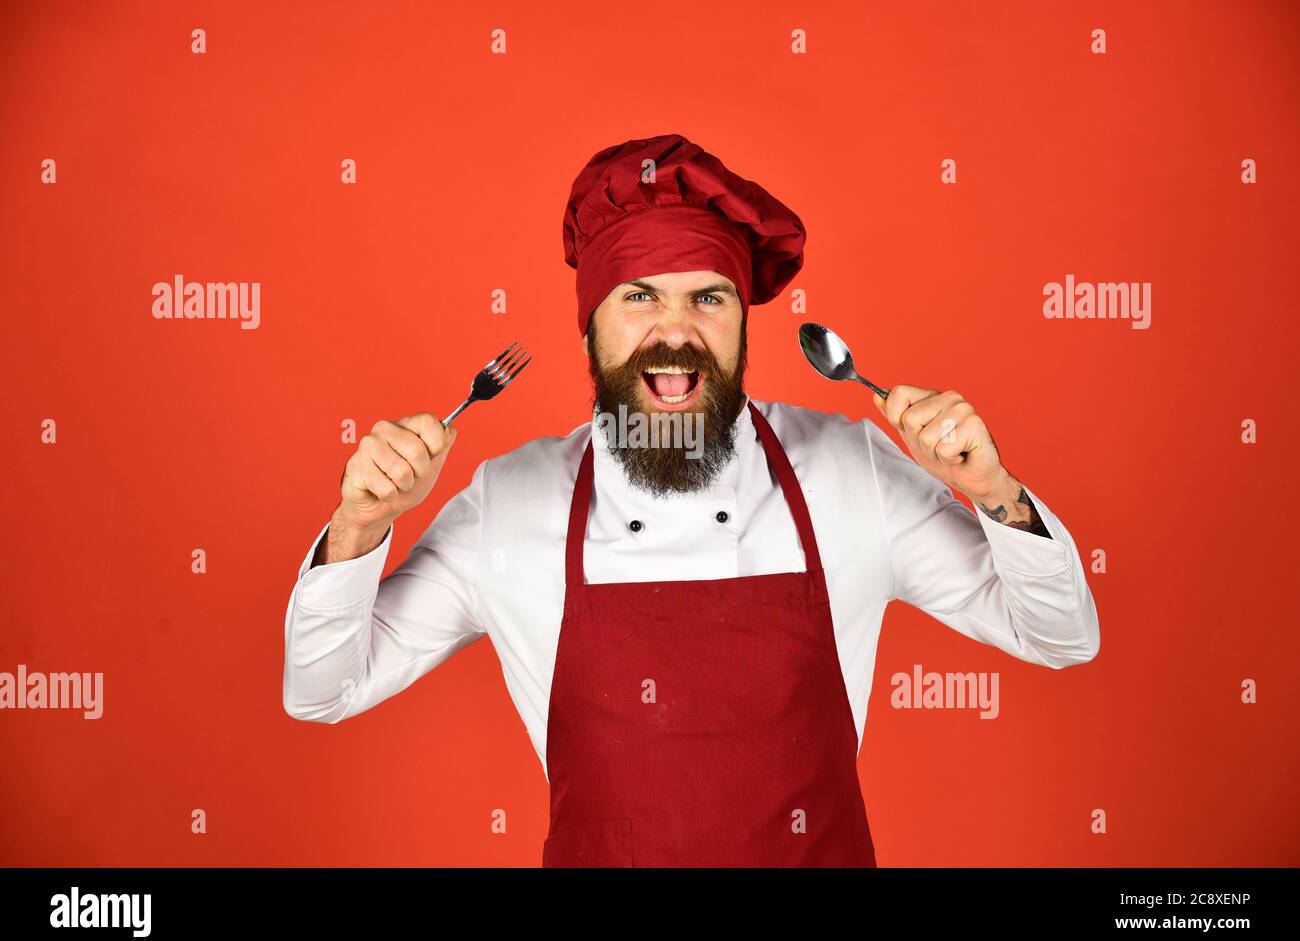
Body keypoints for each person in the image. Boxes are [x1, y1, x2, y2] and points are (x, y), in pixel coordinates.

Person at [282, 132, 1100, 867]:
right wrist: (363, 523)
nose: (674, 330)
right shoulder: (513, 503)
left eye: (707, 298)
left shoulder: (850, 471)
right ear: (589, 328)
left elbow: (1058, 635)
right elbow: (323, 689)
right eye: (639, 295)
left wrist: (993, 492)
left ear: (743, 325)